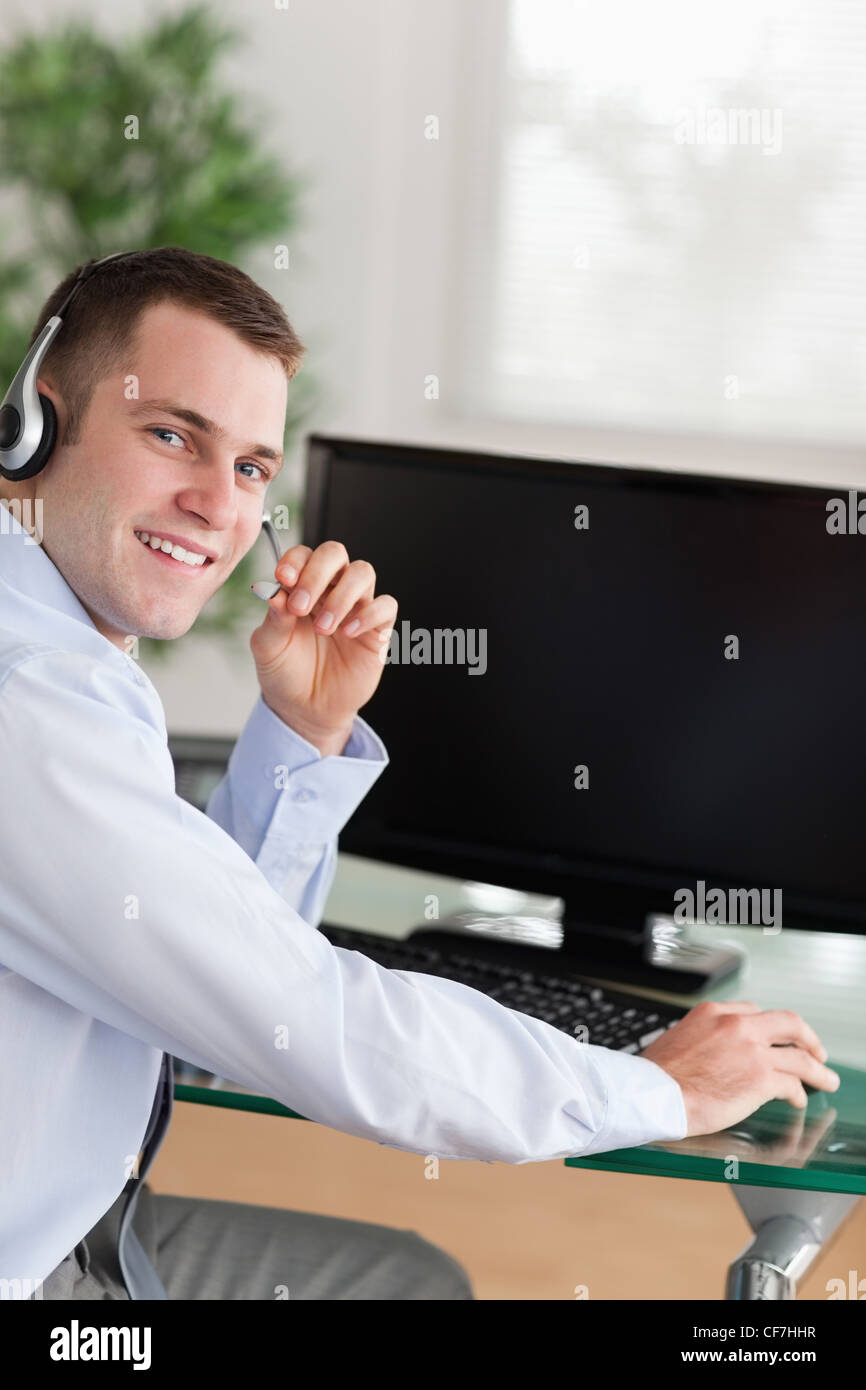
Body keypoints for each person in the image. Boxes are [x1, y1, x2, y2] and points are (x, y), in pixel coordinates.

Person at [0, 247, 839, 1302]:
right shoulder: (27, 701)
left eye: (253, 468)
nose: (219, 505)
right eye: (172, 435)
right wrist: (655, 1087)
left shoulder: (56, 653)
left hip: (66, 1220)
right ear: (31, 422)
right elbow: (311, 1025)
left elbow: (216, 965)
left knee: (404, 1279)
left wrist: (301, 732)